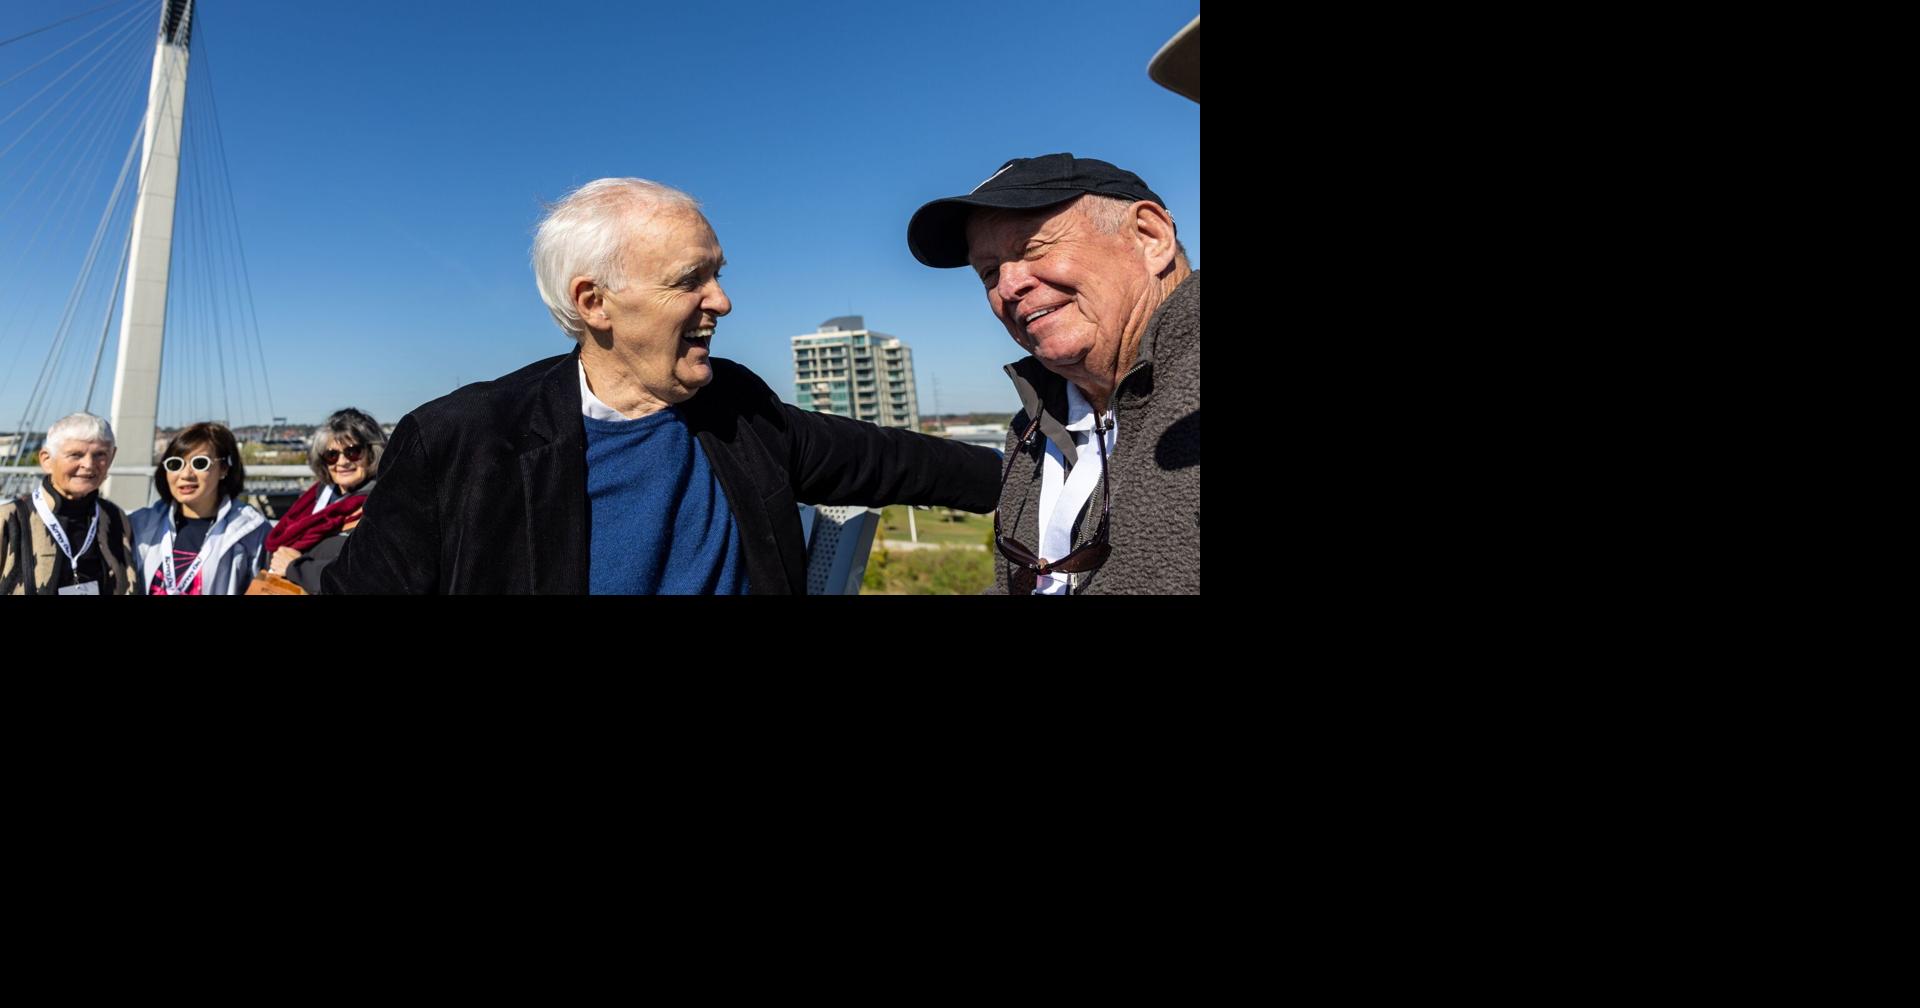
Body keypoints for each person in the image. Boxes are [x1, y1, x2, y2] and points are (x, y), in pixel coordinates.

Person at [324, 177, 999, 594]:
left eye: (718, 274)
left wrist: (1036, 471)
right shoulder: (461, 441)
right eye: (689, 281)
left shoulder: (738, 408)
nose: (722, 301)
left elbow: (894, 460)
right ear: (594, 303)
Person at [907, 153, 1199, 594]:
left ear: (1149, 236)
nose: (1008, 287)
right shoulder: (1035, 423)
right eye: (989, 272)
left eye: (1032, 248)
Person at [1, 412, 139, 595]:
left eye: (100, 454)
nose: (89, 464)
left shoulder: (115, 518)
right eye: (76, 455)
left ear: (112, 457)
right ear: (47, 460)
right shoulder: (10, 520)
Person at [129, 421, 270, 595]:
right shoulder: (140, 525)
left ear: (223, 469)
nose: (186, 474)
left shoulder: (251, 531)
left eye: (200, 463)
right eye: (175, 464)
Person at [262, 408, 383, 593]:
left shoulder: (380, 506)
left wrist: (296, 567)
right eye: (332, 455)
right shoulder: (315, 499)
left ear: (372, 453)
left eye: (352, 451)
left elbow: (365, 574)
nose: (342, 462)